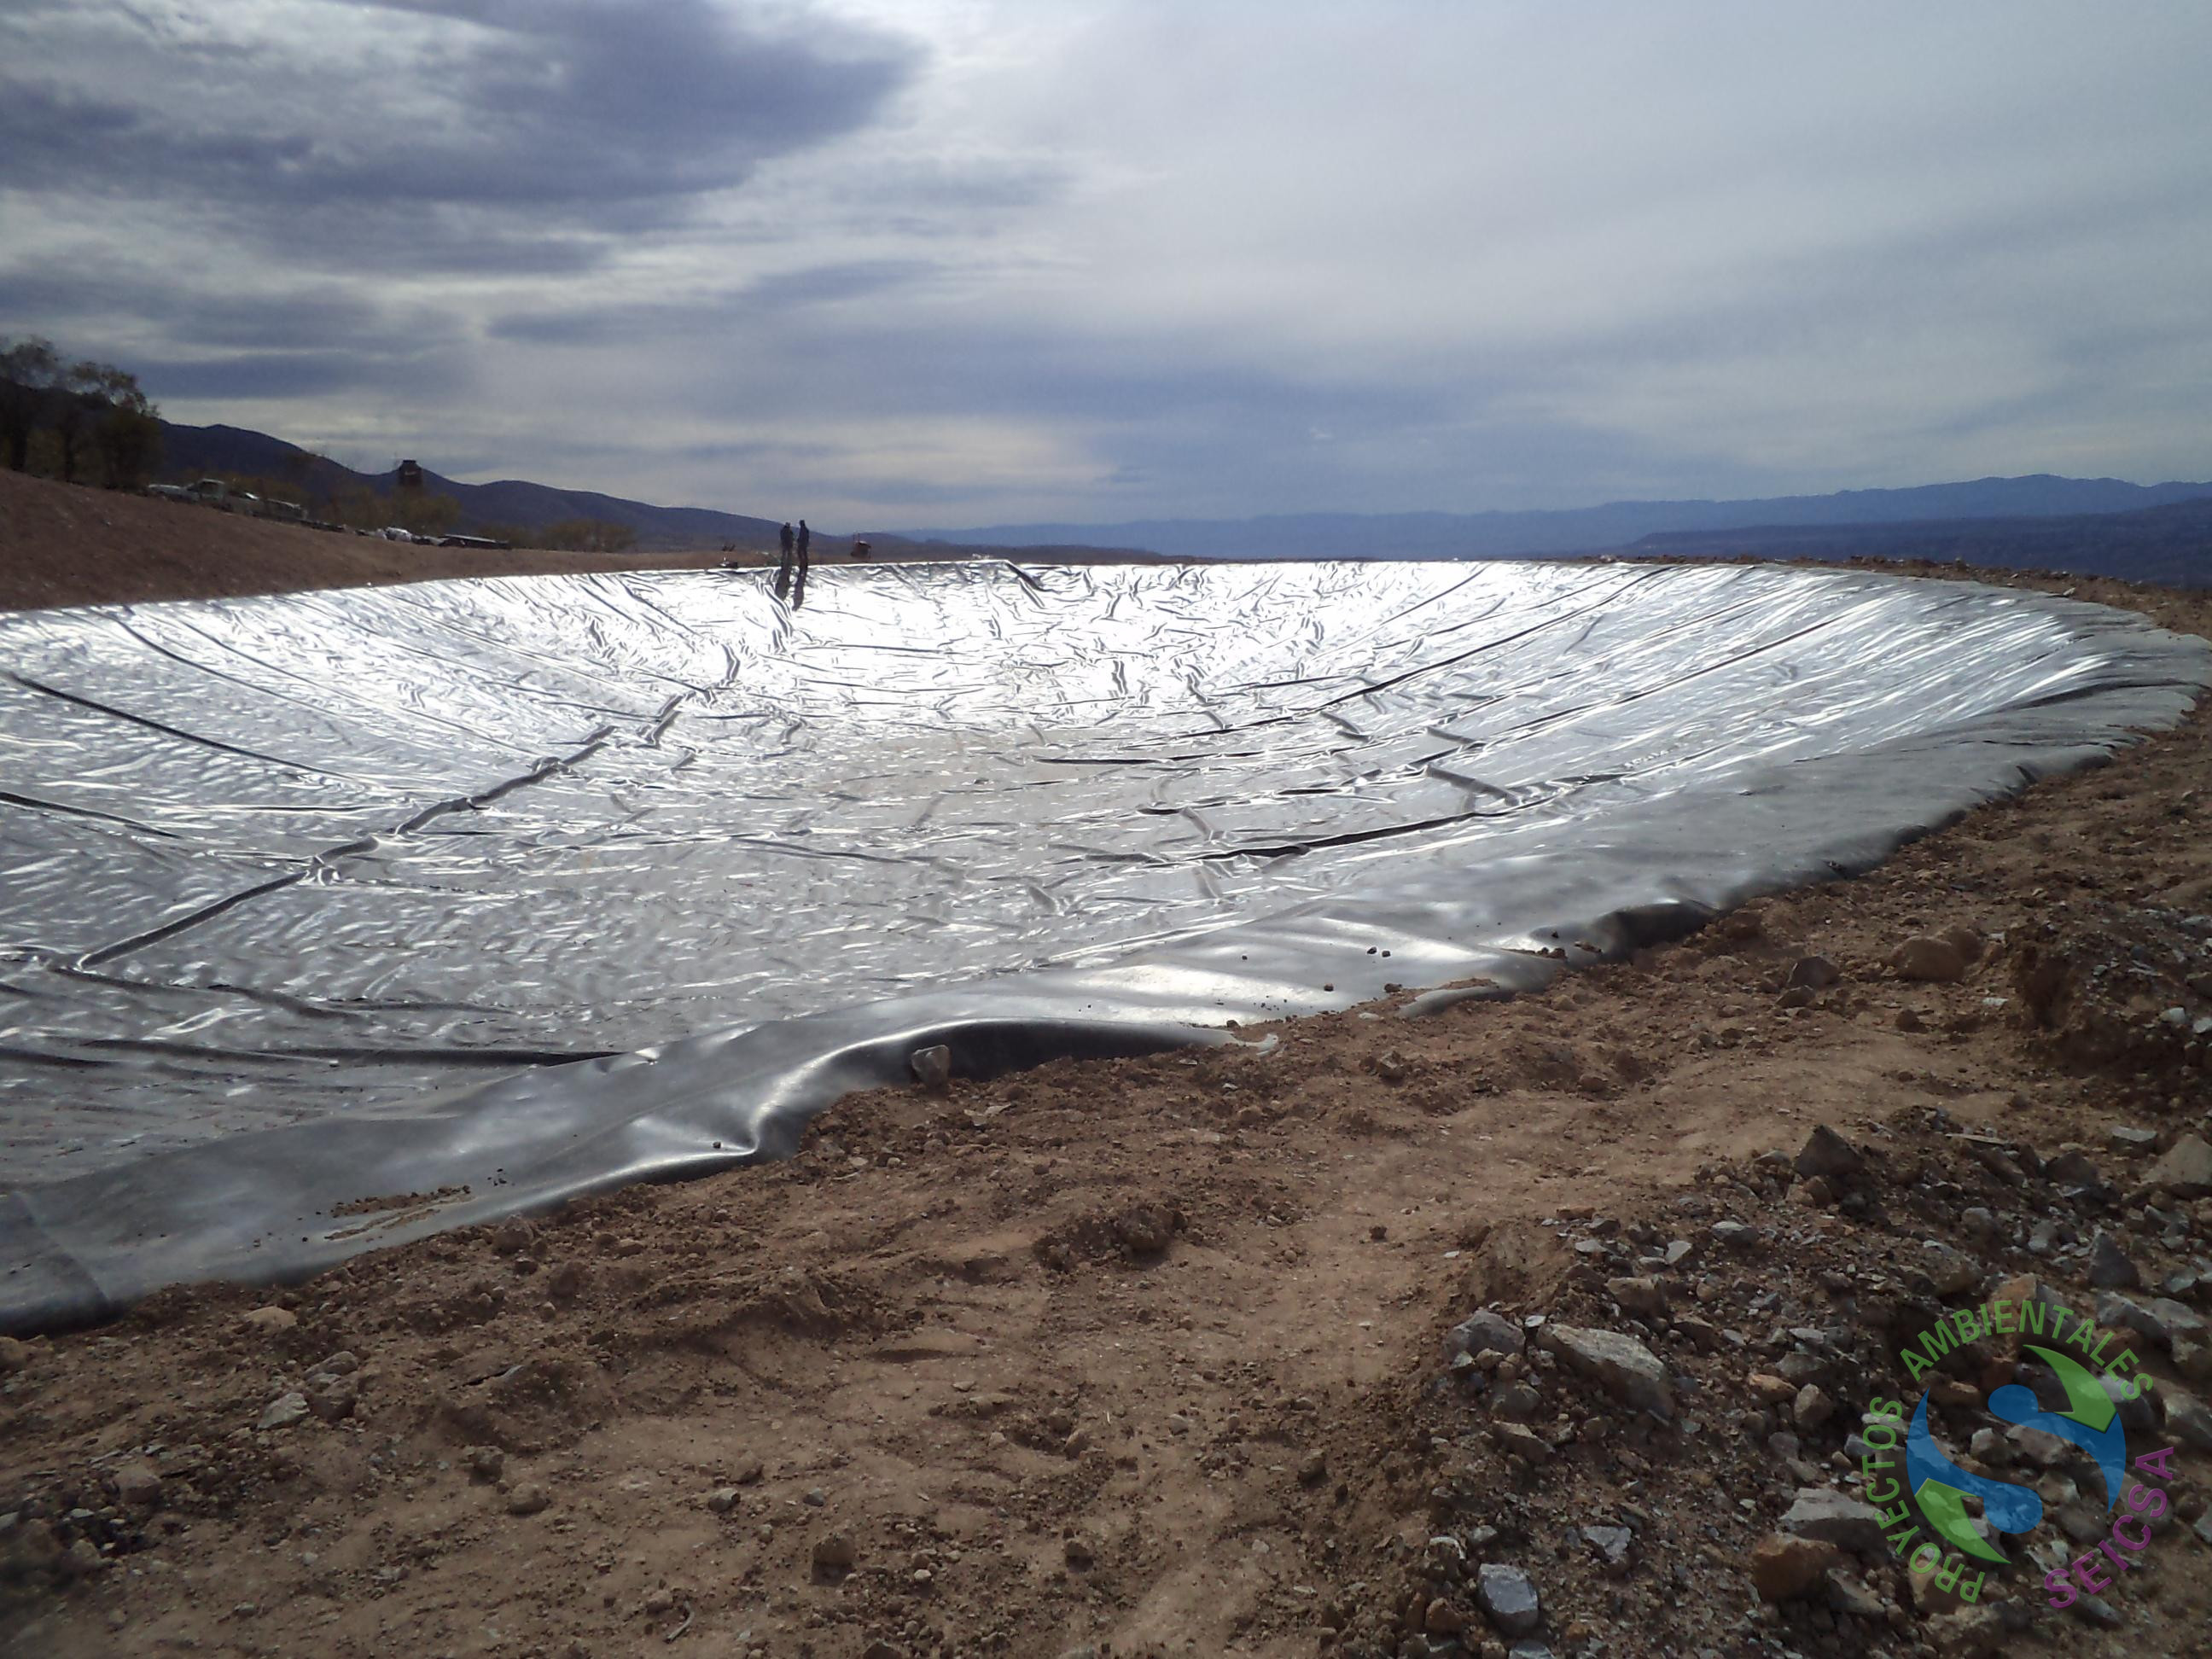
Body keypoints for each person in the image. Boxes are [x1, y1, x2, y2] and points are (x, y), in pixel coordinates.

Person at [775, 521, 795, 598]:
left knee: (785, 555)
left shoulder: (783, 531)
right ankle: (787, 564)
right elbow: (790, 537)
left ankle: (785, 564)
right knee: (787, 555)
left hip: (786, 544)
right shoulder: (787, 531)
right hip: (787, 544)